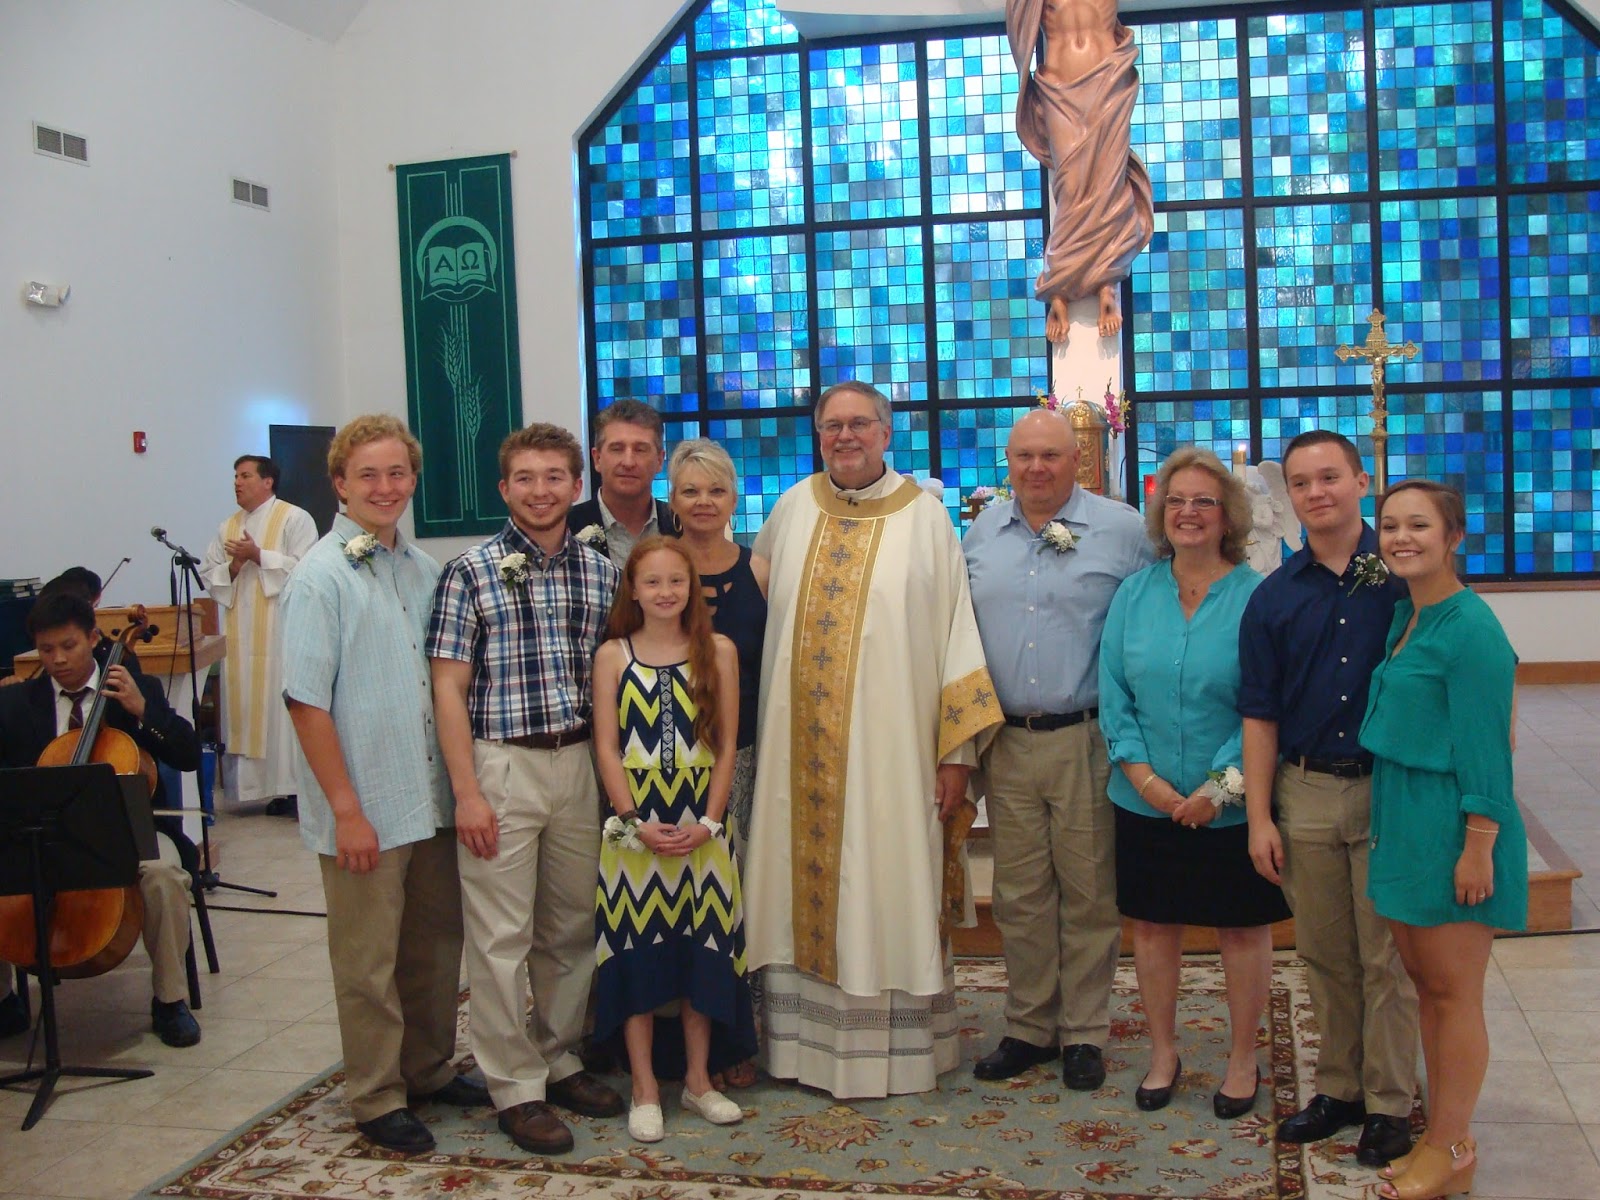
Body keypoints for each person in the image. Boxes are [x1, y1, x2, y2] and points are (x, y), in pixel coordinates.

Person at [744, 380, 1003, 1099]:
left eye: (860, 423)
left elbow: (957, 637)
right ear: (819, 435)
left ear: (888, 433)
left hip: (896, 760)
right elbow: (753, 609)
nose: (845, 436)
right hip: (798, 762)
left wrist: (955, 755)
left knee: (889, 881)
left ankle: (897, 1052)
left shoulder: (926, 519)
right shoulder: (792, 509)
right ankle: (798, 1050)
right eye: (832, 426)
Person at [279, 415, 483, 1154]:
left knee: (434, 948)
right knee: (368, 962)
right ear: (339, 483)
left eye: (398, 473)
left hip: (425, 799)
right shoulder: (320, 577)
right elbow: (306, 700)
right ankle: (374, 1095)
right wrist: (345, 809)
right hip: (363, 805)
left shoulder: (425, 571)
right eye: (368, 474)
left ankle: (427, 1068)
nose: (386, 487)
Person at [428, 423, 626, 1155]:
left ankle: (560, 1056)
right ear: (503, 488)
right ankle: (514, 1085)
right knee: (501, 937)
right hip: (500, 765)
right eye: (525, 478)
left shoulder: (601, 571)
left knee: (571, 926)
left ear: (576, 487)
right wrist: (466, 792)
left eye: (554, 477)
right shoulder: (469, 571)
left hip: (574, 763)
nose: (541, 491)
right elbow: (448, 690)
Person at [1239, 430, 1419, 1167]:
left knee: (1387, 959)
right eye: (1303, 483)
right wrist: (1258, 816)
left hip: (1388, 789)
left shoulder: (1409, 577)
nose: (1318, 493)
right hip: (1306, 788)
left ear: (1362, 480)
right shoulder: (1275, 595)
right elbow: (1259, 712)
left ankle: (1389, 1103)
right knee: (1324, 954)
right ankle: (1339, 1089)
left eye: (1330, 478)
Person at [962, 409, 1152, 1089]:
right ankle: (1029, 1026)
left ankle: (1084, 1033)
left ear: (1077, 459)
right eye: (1024, 457)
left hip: (1088, 736)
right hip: (1007, 741)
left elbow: (1162, 609)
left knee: (1089, 890)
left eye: (1050, 456)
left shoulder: (1125, 531)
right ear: (1007, 463)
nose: (1036, 469)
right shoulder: (981, 533)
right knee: (1019, 895)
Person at [1098, 447, 1289, 1116]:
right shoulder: (1134, 593)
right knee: (1152, 927)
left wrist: (1220, 789)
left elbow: (1264, 703)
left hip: (1232, 805)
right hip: (1143, 798)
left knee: (1240, 929)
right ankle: (1162, 1052)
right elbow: (1114, 691)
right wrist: (1147, 782)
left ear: (1227, 515)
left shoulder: (1258, 596)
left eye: (1203, 501)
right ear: (1161, 512)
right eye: (1176, 500)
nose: (1188, 513)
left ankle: (1242, 1059)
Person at [1359, 480, 1523, 1200]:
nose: (1402, 537)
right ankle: (1438, 1135)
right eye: (1391, 525)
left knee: (1455, 993)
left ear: (1453, 536)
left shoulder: (1471, 628)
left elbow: (1489, 744)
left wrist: (1479, 842)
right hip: (1402, 815)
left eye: (1419, 526)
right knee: (1425, 987)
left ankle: (1454, 1145)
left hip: (1456, 821)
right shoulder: (1407, 617)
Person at [592, 537, 754, 1142]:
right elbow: (607, 745)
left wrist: (710, 823)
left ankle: (697, 1080)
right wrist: (632, 819)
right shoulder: (613, 655)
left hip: (702, 822)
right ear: (633, 589)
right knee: (637, 952)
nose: (665, 593)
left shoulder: (719, 651)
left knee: (700, 951)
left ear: (693, 589)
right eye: (652, 582)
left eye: (676, 582)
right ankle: (642, 1087)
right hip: (634, 824)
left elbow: (728, 744)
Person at [0, 591, 202, 1048]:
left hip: (131, 835)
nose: (57, 660)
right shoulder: (16, 704)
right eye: (46, 650)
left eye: (68, 646)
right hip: (43, 840)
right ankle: (5, 1001)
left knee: (165, 876)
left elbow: (188, 754)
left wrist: (144, 713)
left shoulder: (134, 688)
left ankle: (169, 1001)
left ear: (93, 637)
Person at [667, 439, 768, 1089]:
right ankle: (678, 1043)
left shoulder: (760, 569)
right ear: (671, 500)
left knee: (735, 899)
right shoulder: (656, 567)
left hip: (748, 753)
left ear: (733, 497)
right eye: (689, 491)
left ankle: (736, 1035)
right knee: (679, 904)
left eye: (716, 490)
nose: (704, 503)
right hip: (670, 761)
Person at [1006, 0, 1154, 343]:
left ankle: (1107, 284)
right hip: (1058, 86)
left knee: (1109, 180)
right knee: (1070, 185)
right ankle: (1058, 284)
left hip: (1108, 78)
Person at [200, 454, 318, 815]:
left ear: (268, 481)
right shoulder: (228, 527)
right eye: (235, 476)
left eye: (245, 475)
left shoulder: (294, 518)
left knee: (281, 708)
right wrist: (235, 565)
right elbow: (210, 575)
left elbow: (308, 569)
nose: (237, 482)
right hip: (242, 636)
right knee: (249, 704)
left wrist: (260, 555)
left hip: (281, 632)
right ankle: (260, 788)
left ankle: (295, 790)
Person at [568, 399, 678, 568]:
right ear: (597, 459)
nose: (628, 462)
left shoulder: (679, 525)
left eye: (640, 449)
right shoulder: (567, 528)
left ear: (659, 460)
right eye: (617, 449)